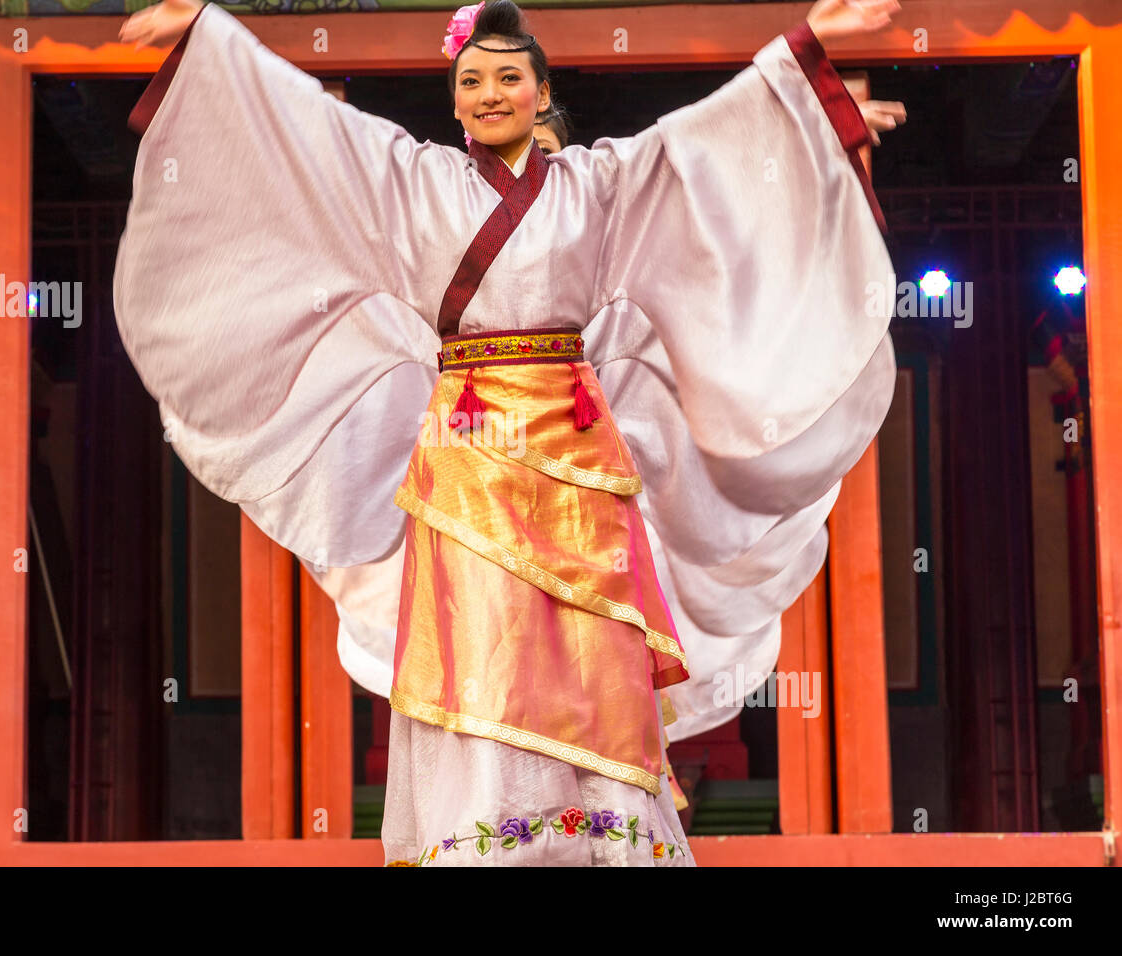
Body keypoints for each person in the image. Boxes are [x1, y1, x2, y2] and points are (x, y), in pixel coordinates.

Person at [115, 0, 903, 866]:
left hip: (578, 450)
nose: (490, 94)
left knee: (592, 638)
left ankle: (603, 837)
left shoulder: (596, 182)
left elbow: (697, 157)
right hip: (467, 452)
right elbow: (304, 134)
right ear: (453, 102)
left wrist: (810, 95)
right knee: (482, 640)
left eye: (508, 78)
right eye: (472, 81)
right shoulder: (410, 179)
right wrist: (206, 33)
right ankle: (488, 839)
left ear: (541, 90)